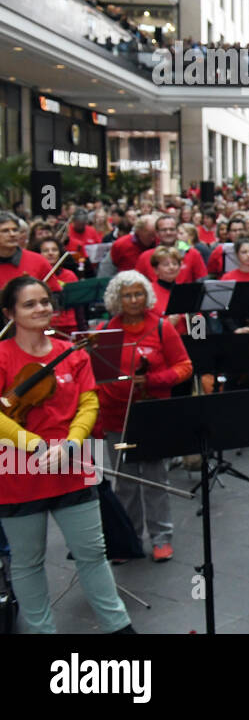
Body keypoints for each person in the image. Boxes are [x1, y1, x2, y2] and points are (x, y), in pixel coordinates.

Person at [0, 276, 135, 633]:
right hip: (16, 468)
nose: (41, 309)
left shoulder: (71, 351)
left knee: (93, 554)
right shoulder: (1, 356)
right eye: (29, 304)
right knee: (28, 562)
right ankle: (40, 630)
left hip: (74, 462)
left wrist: (72, 443)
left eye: (45, 302)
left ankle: (118, 626)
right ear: (9, 313)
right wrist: (33, 444)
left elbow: (89, 401)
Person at [94, 271, 192, 562]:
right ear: (117, 299)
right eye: (127, 295)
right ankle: (129, 538)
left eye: (138, 294)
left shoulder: (162, 328)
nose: (134, 300)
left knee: (154, 477)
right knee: (125, 483)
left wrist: (151, 381)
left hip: (152, 414)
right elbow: (99, 380)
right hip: (116, 418)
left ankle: (162, 537)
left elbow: (185, 367)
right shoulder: (106, 332)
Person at [0, 211, 51, 287]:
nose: (12, 234)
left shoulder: (38, 261)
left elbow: (55, 294)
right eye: (5, 231)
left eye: (15, 230)